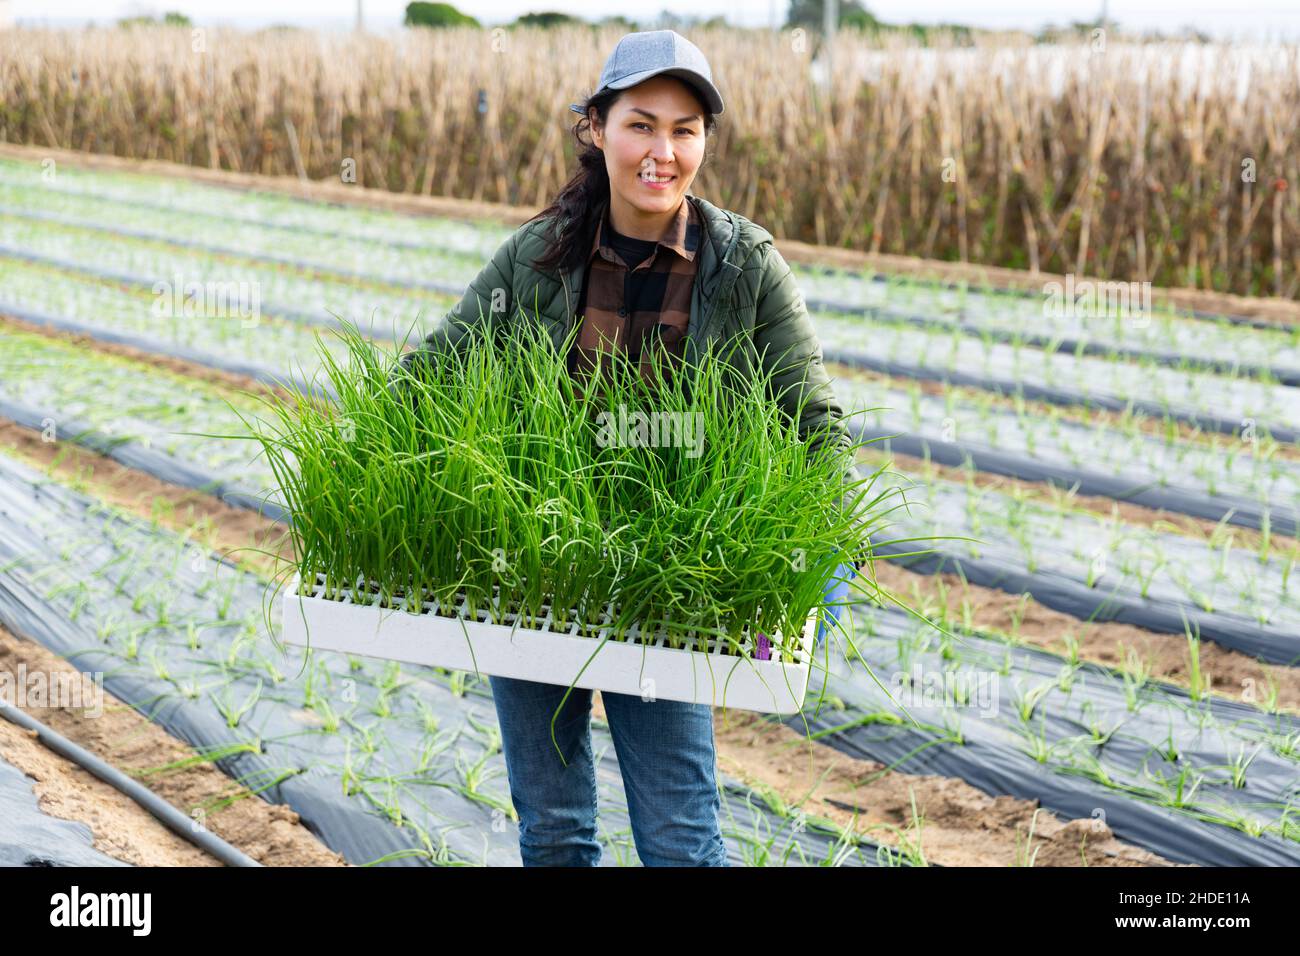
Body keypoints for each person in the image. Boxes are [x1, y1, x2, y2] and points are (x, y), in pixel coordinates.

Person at [394, 29, 864, 867]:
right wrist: (364, 462)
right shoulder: (537, 256)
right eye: (641, 124)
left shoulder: (745, 266)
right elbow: (435, 369)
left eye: (685, 130)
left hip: (670, 576)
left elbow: (814, 422)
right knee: (556, 831)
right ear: (596, 127)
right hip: (537, 560)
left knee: (682, 841)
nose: (663, 151)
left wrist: (824, 549)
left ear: (705, 143)